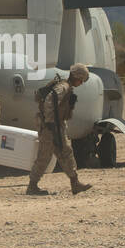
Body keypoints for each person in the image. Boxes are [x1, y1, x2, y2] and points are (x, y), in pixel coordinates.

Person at [26, 63, 92, 196]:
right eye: (81, 80)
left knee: (66, 153)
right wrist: (51, 124)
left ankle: (75, 183)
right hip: (50, 127)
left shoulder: (66, 86)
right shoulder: (63, 87)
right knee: (44, 156)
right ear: (77, 77)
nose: (81, 83)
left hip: (56, 126)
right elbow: (50, 101)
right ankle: (32, 186)